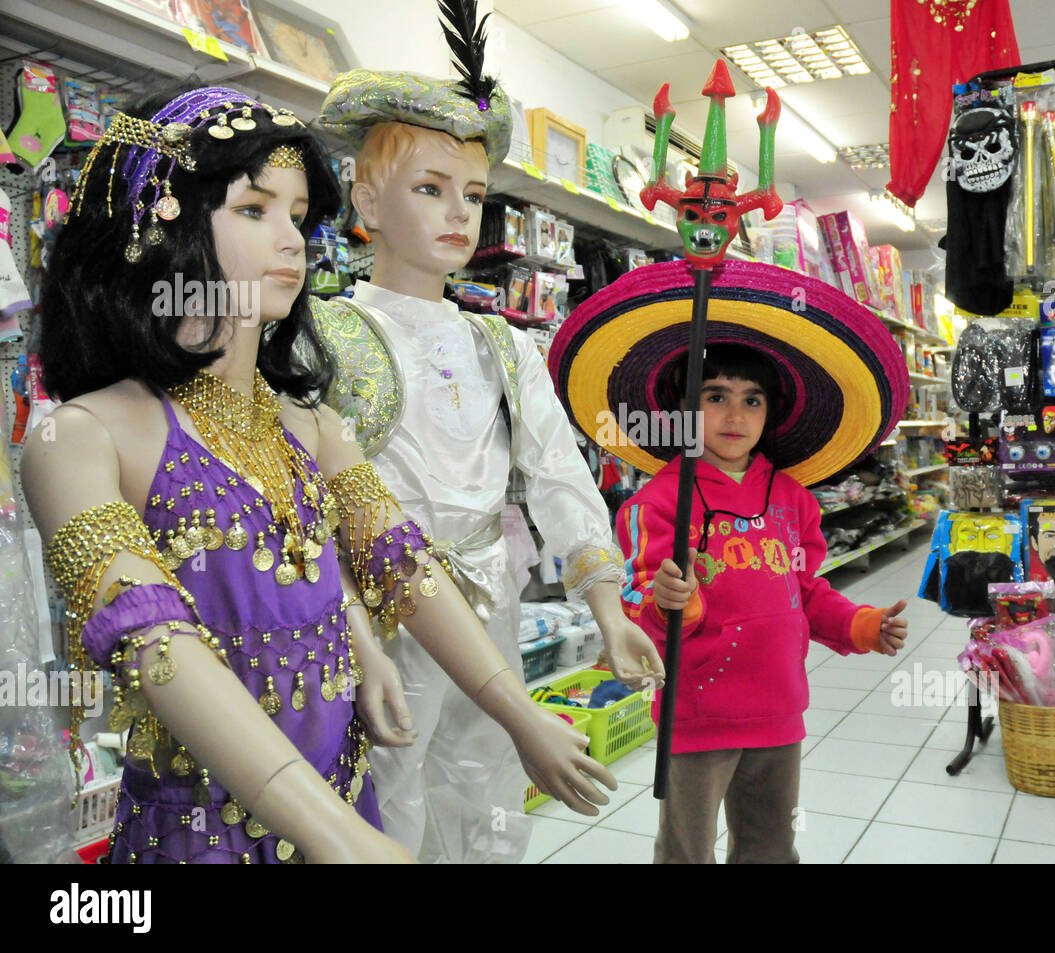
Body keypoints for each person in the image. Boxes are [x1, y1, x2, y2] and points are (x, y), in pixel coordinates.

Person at [24, 85, 612, 864]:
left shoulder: (314, 427)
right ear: (161, 222)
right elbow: (156, 642)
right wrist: (339, 839)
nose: (292, 240)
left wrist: (517, 712)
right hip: (205, 835)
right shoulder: (81, 435)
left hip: (346, 795)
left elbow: (409, 571)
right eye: (254, 209)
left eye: (298, 216)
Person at [310, 3, 662, 864]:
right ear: (364, 196)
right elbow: (308, 503)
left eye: (472, 193)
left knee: (490, 800)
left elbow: (558, 476)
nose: (459, 214)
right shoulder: (322, 335)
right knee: (384, 803)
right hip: (378, 611)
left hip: (492, 600)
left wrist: (607, 609)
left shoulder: (503, 344)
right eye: (429, 188)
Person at [615, 343, 909, 863]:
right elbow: (637, 602)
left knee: (771, 846)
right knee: (687, 849)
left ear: (770, 412)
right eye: (715, 396)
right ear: (682, 410)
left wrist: (860, 625)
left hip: (777, 705)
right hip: (698, 712)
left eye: (752, 400)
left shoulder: (792, 498)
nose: (735, 415)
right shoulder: (657, 503)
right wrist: (666, 601)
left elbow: (805, 589)